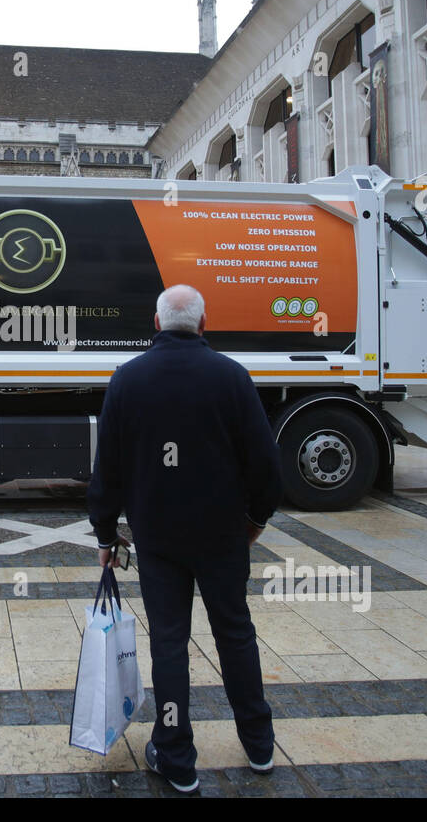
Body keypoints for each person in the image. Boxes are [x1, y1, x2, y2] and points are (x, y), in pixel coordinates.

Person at [87, 284, 283, 794]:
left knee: (170, 643)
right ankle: (259, 744)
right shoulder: (233, 378)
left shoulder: (128, 380)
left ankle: (176, 757)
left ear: (155, 323)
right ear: (203, 324)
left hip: (158, 537)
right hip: (222, 535)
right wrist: (255, 521)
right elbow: (265, 464)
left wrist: (106, 532)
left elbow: (106, 467)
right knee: (235, 633)